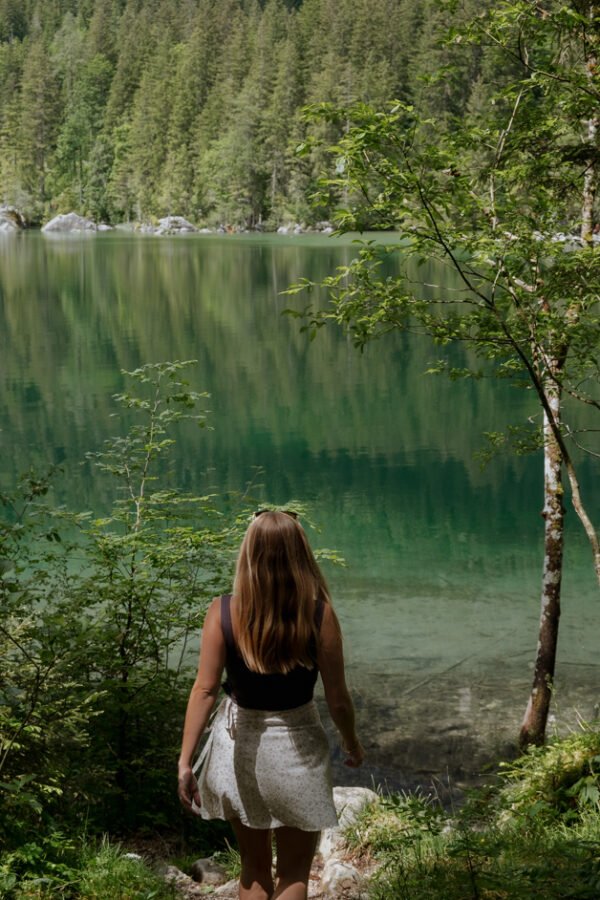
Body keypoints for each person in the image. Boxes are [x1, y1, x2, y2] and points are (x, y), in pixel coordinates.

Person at [178, 509, 364, 900]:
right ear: (301, 555)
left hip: (237, 751)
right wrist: (351, 742)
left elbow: (204, 690)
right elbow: (338, 700)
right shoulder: (318, 615)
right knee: (295, 871)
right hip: (297, 752)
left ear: (248, 554)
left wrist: (185, 761)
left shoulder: (223, 611)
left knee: (254, 869)